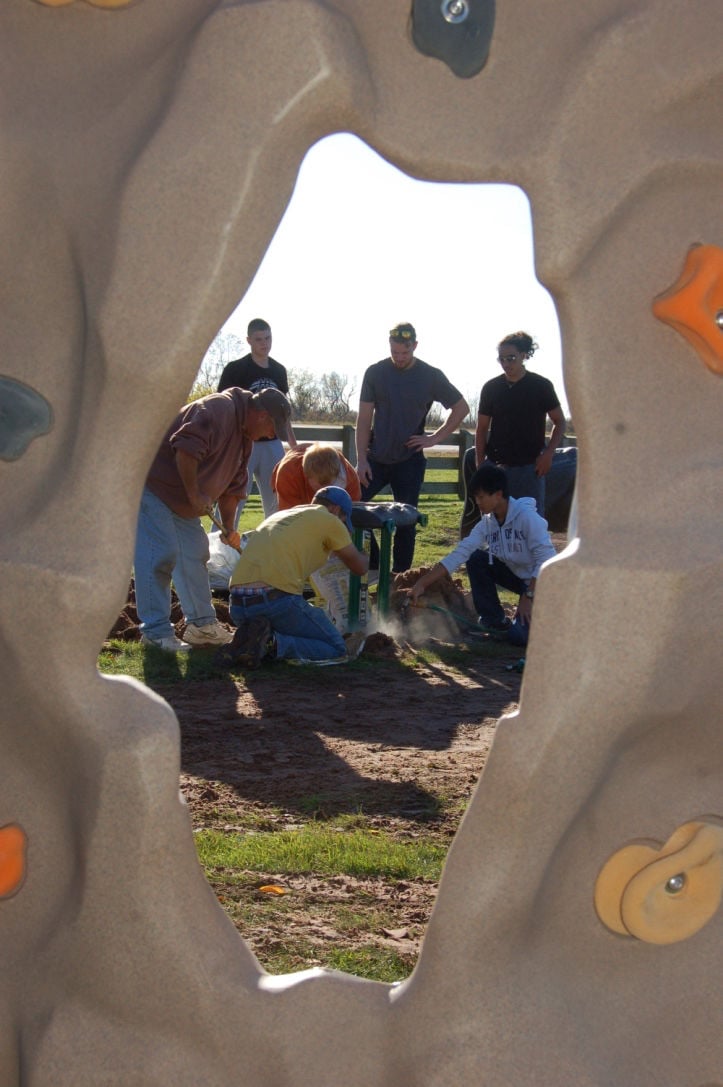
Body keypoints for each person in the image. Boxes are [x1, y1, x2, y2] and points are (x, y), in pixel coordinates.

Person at [134, 386, 292, 652]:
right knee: (160, 553)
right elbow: (186, 450)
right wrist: (194, 493)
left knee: (196, 554)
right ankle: (155, 633)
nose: (270, 435)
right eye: (272, 428)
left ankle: (201, 627)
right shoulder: (217, 410)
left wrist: (229, 528)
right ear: (262, 415)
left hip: (182, 501)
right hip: (153, 486)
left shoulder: (245, 438)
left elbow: (233, 488)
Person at [355, 322, 469, 572]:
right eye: (394, 352)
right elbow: (363, 419)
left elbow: (461, 408)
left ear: (415, 346)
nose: (399, 358)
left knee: (406, 521)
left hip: (409, 460)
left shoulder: (430, 376)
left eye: (404, 352)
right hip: (376, 457)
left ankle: (400, 578)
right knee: (350, 508)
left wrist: (434, 438)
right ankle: (377, 568)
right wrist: (361, 460)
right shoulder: (375, 373)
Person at [217, 486, 368, 667]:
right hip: (275, 602)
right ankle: (271, 643)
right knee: (336, 647)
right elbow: (360, 568)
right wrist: (365, 554)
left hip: (238, 606)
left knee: (293, 621)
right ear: (336, 510)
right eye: (344, 521)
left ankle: (250, 639)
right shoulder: (330, 520)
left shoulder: (281, 516)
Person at [408, 464, 556, 647]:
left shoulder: (527, 518)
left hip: (542, 583)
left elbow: (547, 560)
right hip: (519, 578)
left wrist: (529, 595)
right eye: (476, 497)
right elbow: (460, 553)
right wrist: (421, 584)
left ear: (498, 494)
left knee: (519, 637)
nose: (477, 502)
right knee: (476, 558)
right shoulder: (487, 523)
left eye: (481, 497)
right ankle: (494, 621)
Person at [475, 330, 565, 516]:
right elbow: (482, 428)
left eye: (511, 358)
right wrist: (481, 465)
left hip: (530, 468)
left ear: (524, 355)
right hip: (496, 467)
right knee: (493, 523)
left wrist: (548, 454)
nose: (506, 364)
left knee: (530, 523)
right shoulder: (491, 388)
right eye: (501, 359)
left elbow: (559, 421)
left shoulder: (541, 386)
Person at [216, 317, 297, 520]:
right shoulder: (236, 369)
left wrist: (294, 446)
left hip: (272, 442)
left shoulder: (279, 371)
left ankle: (274, 537)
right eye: (259, 339)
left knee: (277, 499)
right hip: (243, 442)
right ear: (249, 340)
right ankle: (222, 538)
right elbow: (223, 408)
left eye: (268, 338)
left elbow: (283, 412)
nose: (264, 343)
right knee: (234, 496)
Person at [272, 441, 361, 510]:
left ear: (337, 474)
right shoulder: (289, 474)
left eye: (329, 484)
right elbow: (288, 517)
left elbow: (350, 515)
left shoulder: (351, 481)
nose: (323, 490)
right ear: (306, 475)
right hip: (290, 490)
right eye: (319, 485)